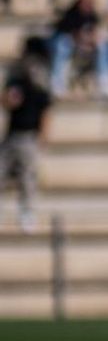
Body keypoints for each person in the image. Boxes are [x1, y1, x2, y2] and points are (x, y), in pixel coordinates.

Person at [3, 36, 49, 231]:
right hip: (12, 135)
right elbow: (6, 102)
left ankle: (27, 213)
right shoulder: (15, 82)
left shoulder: (40, 87)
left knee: (28, 177)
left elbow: (45, 111)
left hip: (29, 136)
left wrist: (43, 137)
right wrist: (9, 100)